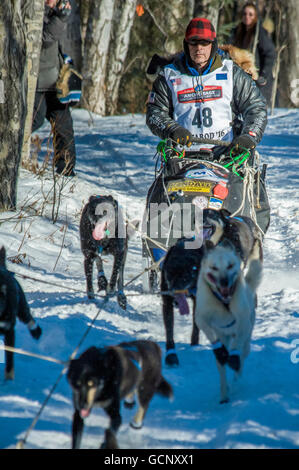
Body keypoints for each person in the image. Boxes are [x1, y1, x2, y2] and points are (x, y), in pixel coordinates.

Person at [146, 17, 267, 158]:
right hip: (181, 156)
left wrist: (249, 136)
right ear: (186, 44)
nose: (199, 48)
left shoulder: (231, 72)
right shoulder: (169, 75)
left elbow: (256, 107)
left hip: (226, 155)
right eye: (194, 43)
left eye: (204, 43)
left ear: (213, 44)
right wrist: (171, 129)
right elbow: (154, 112)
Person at [32, 0, 76, 176]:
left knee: (64, 126)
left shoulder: (53, 15)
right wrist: (60, 18)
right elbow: (43, 39)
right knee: (34, 120)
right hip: (36, 84)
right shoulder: (32, 14)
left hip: (54, 83)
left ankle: (66, 169)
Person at [228, 2, 276, 107]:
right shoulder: (236, 31)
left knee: (256, 109)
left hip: (257, 78)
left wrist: (263, 75)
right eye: (245, 14)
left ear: (255, 16)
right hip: (239, 77)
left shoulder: (259, 32)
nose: (247, 17)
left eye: (250, 14)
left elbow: (270, 54)